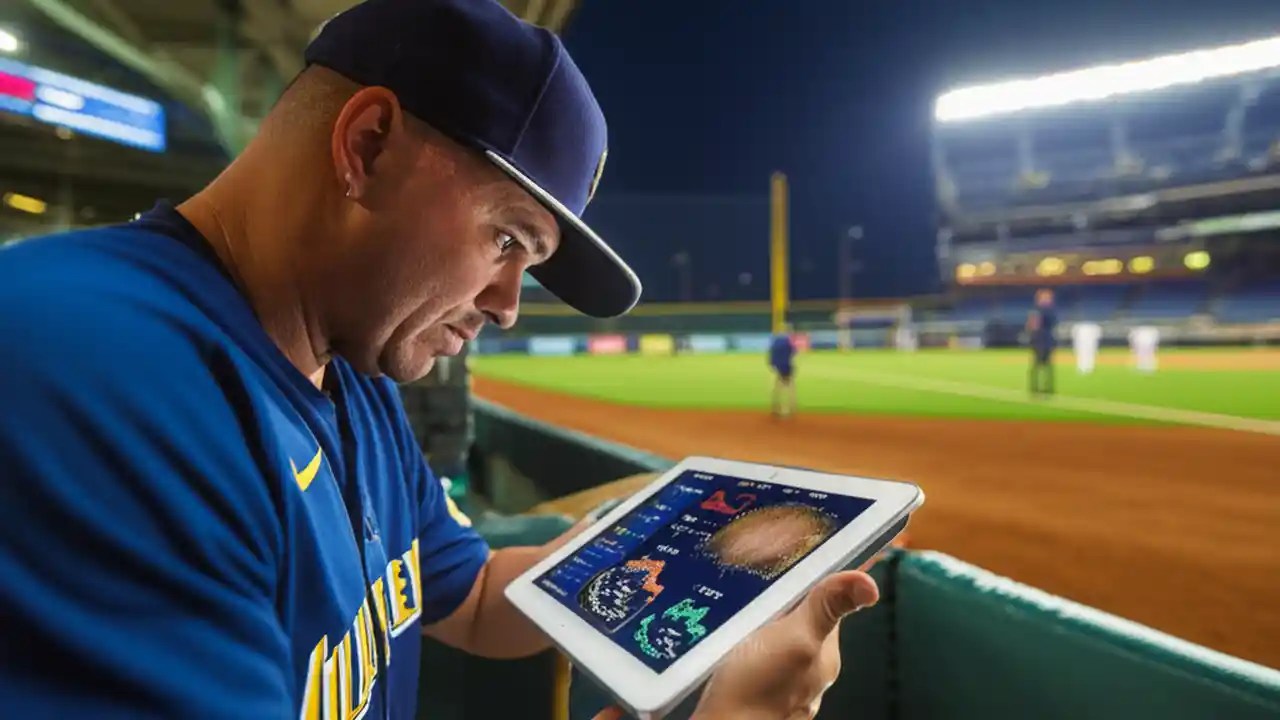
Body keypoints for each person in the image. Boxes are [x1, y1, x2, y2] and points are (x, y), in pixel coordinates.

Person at [0, 1, 879, 718]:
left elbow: (477, 598)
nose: (505, 306)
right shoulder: (83, 364)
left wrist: (658, 562)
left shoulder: (353, 374)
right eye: (506, 239)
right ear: (367, 144)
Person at [1026, 288, 1058, 396]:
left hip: (1046, 339)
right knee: (1038, 364)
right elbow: (1033, 325)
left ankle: (1047, 387)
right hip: (1039, 339)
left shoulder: (1049, 310)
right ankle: (1035, 388)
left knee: (1047, 365)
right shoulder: (1037, 310)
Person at [769, 324, 799, 418]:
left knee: (778, 385)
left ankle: (775, 406)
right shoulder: (788, 341)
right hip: (786, 365)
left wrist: (773, 365)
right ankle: (791, 408)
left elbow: (771, 354)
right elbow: (794, 352)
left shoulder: (775, 340)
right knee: (790, 386)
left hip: (778, 366)